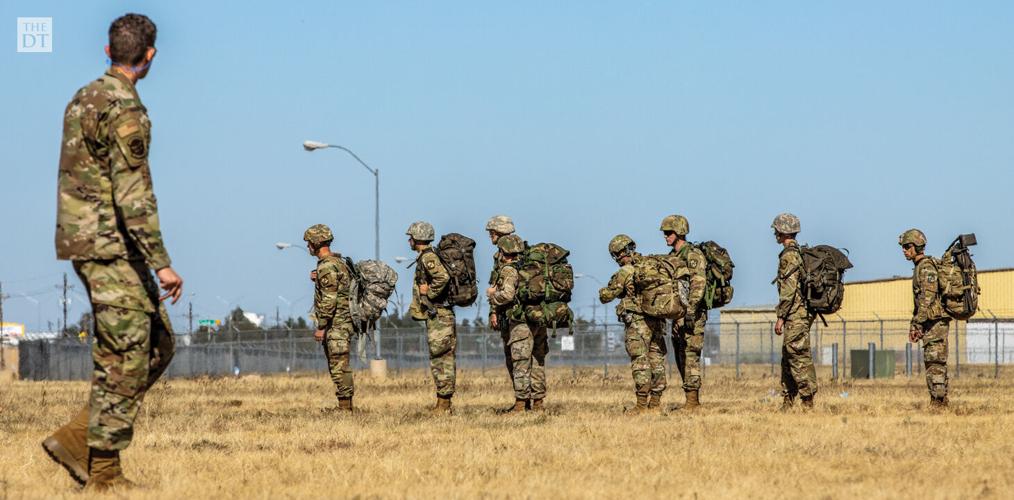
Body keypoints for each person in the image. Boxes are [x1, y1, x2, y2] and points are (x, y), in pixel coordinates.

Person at [44, 13, 182, 490]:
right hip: (110, 243)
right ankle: (103, 471)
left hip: (91, 241)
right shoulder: (124, 108)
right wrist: (161, 262)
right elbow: (133, 194)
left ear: (107, 51)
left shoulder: (83, 97)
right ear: (150, 56)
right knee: (124, 352)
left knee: (157, 344)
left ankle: (77, 438)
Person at [599, 235, 667, 412]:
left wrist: (603, 291)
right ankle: (656, 403)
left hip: (638, 322)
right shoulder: (651, 265)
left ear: (617, 254)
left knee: (640, 361)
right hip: (658, 321)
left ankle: (641, 404)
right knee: (657, 360)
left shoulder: (626, 271)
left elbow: (607, 296)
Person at [487, 234, 547, 412]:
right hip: (538, 319)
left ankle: (521, 405)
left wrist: (492, 295)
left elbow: (507, 295)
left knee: (520, 363)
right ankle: (538, 403)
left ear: (504, 252)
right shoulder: (533, 267)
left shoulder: (509, 270)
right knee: (537, 362)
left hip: (520, 323)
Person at [304, 224, 356, 412]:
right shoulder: (337, 262)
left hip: (336, 324)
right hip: (343, 322)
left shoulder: (327, 266)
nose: (308, 247)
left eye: (309, 243)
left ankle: (345, 408)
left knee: (338, 365)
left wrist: (321, 326)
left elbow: (329, 300)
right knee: (339, 364)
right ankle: (346, 405)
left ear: (316, 243)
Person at [407, 221, 457, 413]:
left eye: (411, 237)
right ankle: (443, 402)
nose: (409, 241)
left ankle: (444, 404)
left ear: (418, 238)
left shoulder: (428, 258)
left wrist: (429, 293)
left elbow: (442, 277)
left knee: (441, 358)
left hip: (440, 314)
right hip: (438, 315)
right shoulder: (426, 256)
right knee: (440, 357)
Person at [660, 215, 707, 408]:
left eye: (669, 233)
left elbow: (699, 283)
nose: (666, 236)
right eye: (665, 233)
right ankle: (689, 398)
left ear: (679, 232)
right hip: (677, 316)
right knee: (680, 355)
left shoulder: (693, 255)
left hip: (692, 315)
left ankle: (693, 401)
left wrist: (691, 310)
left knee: (691, 354)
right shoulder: (673, 257)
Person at [771, 213, 817, 409]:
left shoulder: (789, 256)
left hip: (795, 314)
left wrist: (780, 317)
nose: (775, 233)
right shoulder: (798, 253)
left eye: (776, 230)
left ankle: (807, 400)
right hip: (799, 314)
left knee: (798, 356)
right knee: (789, 356)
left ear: (782, 231)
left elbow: (788, 291)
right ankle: (788, 400)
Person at [899, 229, 950, 407]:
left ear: (916, 247)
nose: (904, 250)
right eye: (903, 247)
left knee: (935, 362)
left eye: (907, 246)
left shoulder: (926, 267)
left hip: (935, 323)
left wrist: (917, 322)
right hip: (929, 322)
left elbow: (927, 298)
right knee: (933, 362)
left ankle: (938, 402)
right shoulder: (920, 266)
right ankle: (939, 400)